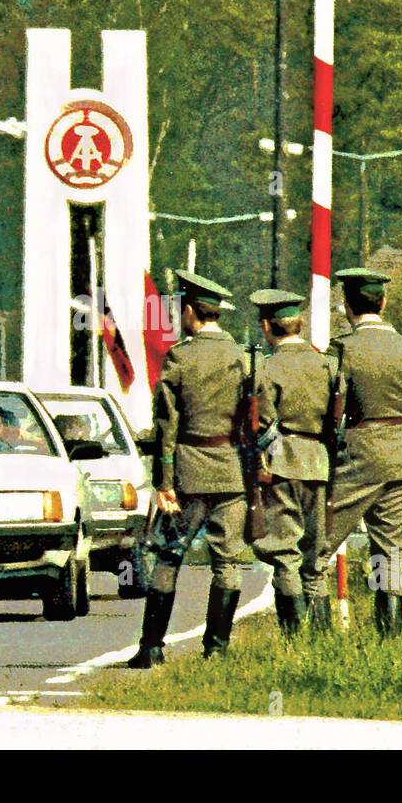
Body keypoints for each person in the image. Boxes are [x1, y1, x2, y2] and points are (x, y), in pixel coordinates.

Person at [127, 269, 250, 668]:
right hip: (232, 474)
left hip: (188, 474)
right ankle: (217, 649)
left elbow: (166, 424)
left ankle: (152, 647)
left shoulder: (181, 357)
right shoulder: (245, 358)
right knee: (227, 563)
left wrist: (164, 482)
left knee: (169, 556)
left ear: (193, 311)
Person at [316, 267, 402, 636]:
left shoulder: (344, 349)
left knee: (317, 549)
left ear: (347, 305)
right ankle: (389, 641)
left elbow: (331, 408)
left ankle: (313, 643)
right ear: (383, 302)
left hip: (357, 455)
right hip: (401, 454)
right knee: (391, 554)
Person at [248, 288, 337, 635]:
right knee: (315, 557)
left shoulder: (268, 368)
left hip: (281, 462)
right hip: (319, 463)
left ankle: (295, 638)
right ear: (299, 324)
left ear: (268, 326)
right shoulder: (326, 364)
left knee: (285, 552)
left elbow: (262, 420)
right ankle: (321, 639)